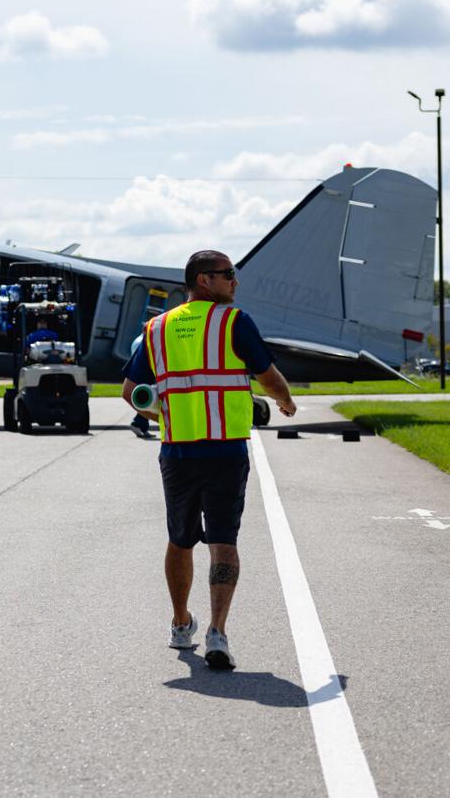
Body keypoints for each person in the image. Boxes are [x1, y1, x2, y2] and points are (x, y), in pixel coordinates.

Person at [121, 250, 296, 670]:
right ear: (204, 280)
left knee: (180, 539)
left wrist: (164, 416)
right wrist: (286, 401)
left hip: (178, 452)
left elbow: (130, 392)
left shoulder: (156, 328)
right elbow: (267, 376)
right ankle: (218, 631)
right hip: (225, 451)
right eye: (227, 274)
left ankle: (181, 623)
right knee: (223, 543)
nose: (235, 281)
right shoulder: (234, 322)